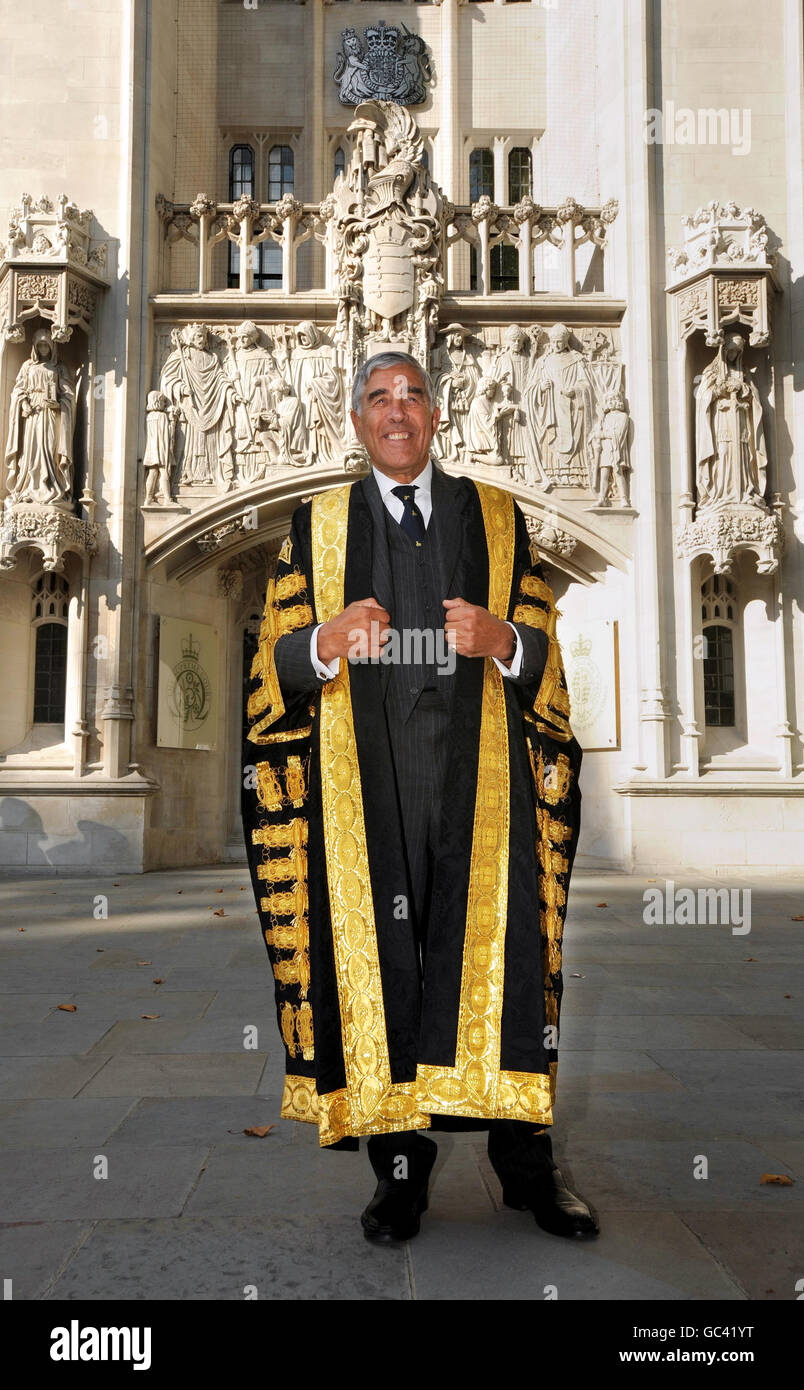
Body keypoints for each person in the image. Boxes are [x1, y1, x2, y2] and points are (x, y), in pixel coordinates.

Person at [242, 350, 598, 1242]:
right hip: (369, 794)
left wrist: (503, 636)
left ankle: (527, 1171)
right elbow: (270, 664)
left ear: (437, 416)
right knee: (389, 979)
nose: (396, 412)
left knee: (508, 972)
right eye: (378, 398)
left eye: (412, 396)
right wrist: (321, 640)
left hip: (484, 792)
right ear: (356, 421)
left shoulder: (498, 517)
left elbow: (550, 654)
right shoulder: (315, 526)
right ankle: (401, 1180)